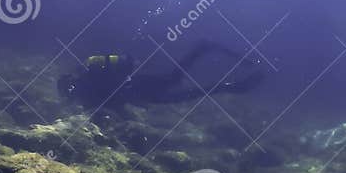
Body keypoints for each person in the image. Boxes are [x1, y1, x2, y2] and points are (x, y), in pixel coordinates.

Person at [58, 40, 264, 109]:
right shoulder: (88, 81)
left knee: (181, 87)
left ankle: (233, 85)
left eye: (69, 93)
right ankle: (232, 84)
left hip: (142, 89)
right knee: (178, 83)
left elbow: (113, 102)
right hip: (141, 88)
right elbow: (114, 103)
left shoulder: (87, 87)